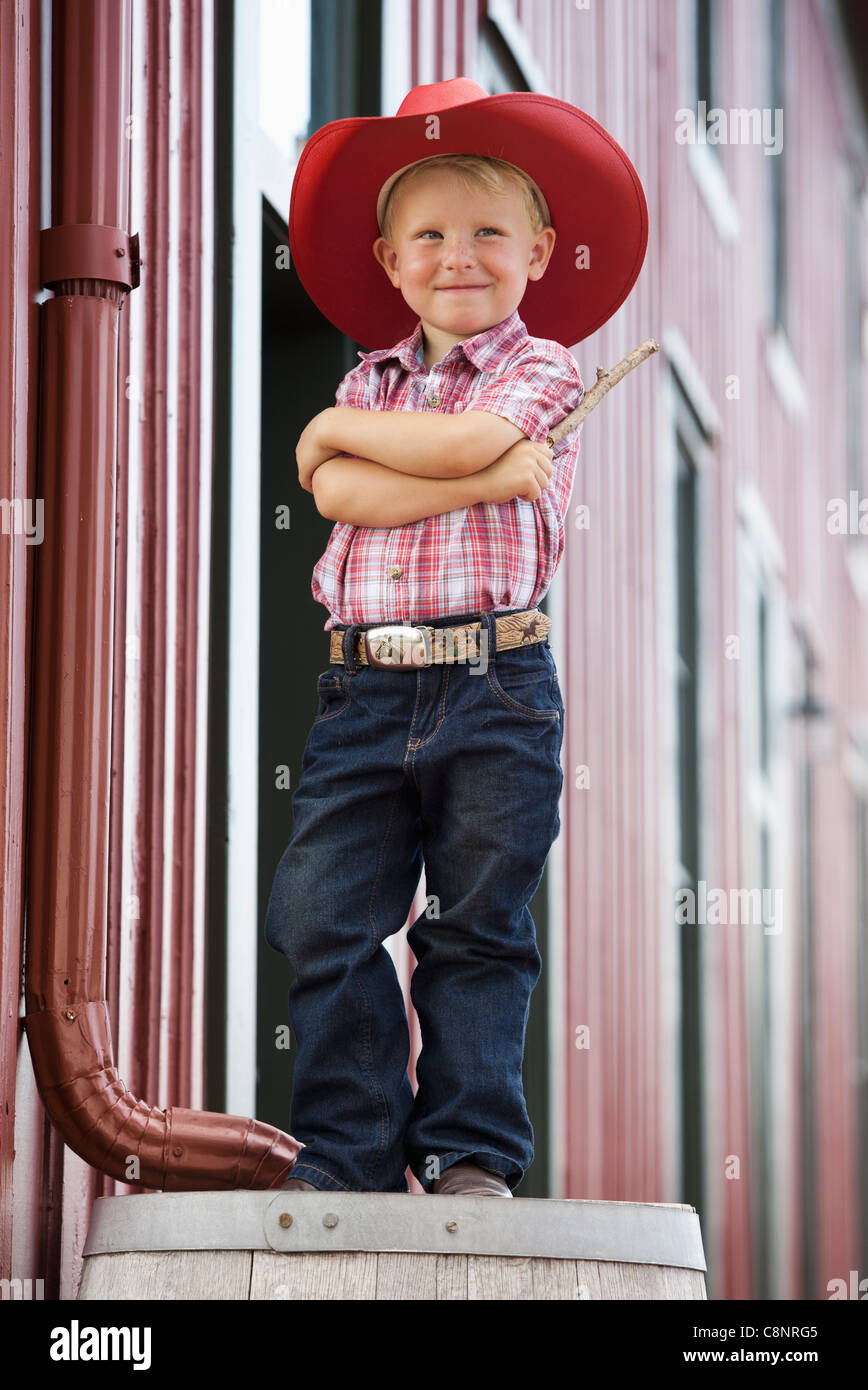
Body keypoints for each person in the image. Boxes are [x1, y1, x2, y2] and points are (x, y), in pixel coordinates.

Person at [264, 77, 648, 1197]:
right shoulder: (363, 382)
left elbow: (423, 452)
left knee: (477, 923)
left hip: (497, 683)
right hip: (363, 691)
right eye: (427, 234)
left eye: (488, 231)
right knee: (322, 920)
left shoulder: (543, 364)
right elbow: (337, 489)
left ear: (538, 248)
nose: (458, 256)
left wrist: (399, 453)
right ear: (390, 263)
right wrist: (368, 439)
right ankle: (348, 1155)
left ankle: (470, 1151)